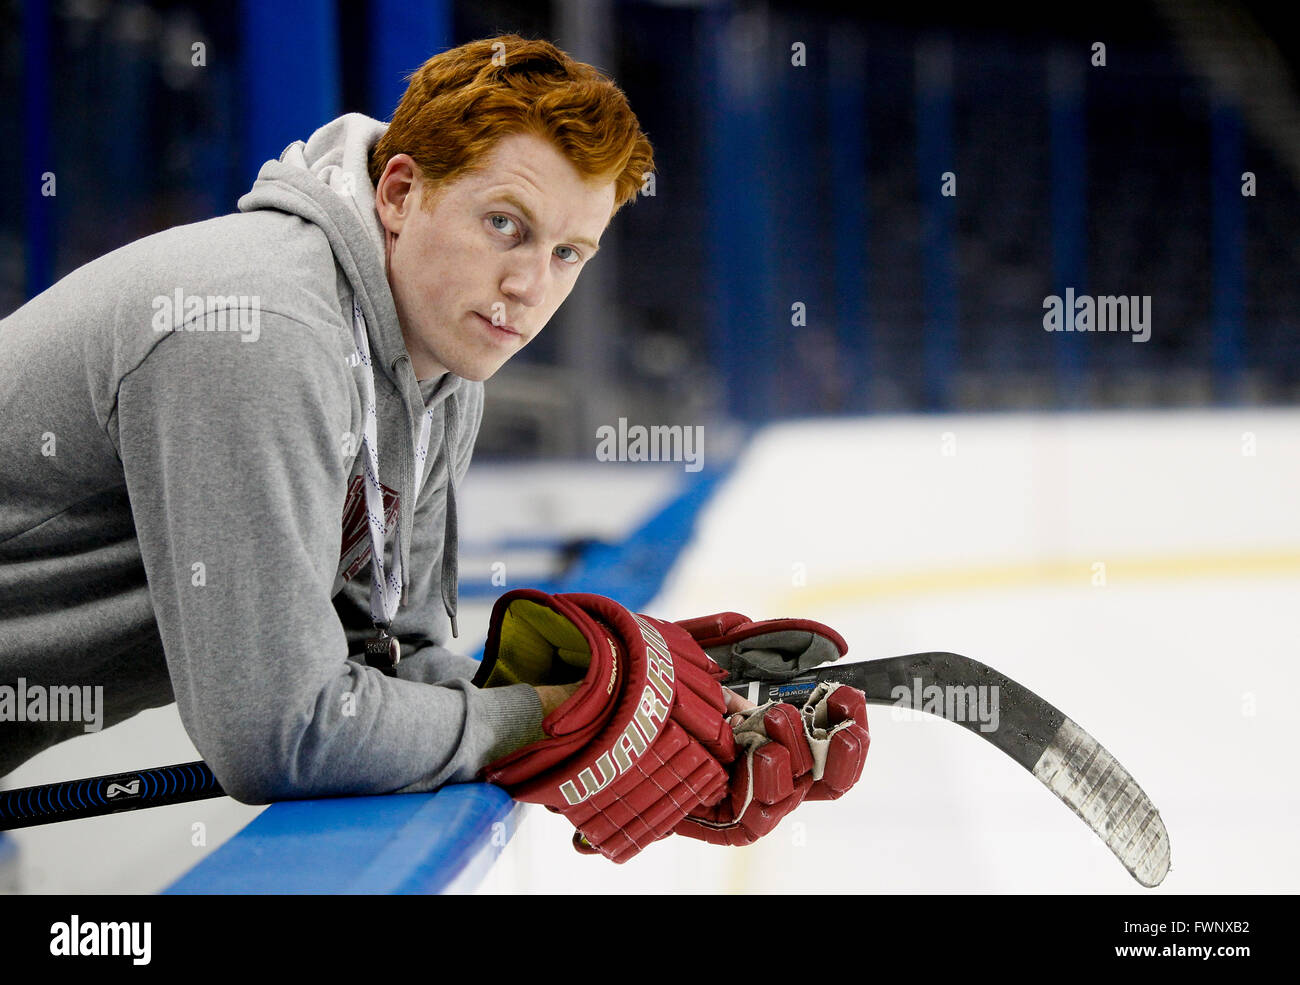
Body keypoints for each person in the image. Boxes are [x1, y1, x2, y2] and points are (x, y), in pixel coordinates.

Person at [0, 34, 865, 857]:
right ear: (400, 193)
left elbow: (392, 660)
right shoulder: (260, 331)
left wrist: (593, 721)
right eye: (505, 225)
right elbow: (282, 733)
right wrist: (557, 714)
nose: (529, 287)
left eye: (569, 252)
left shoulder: (439, 368)